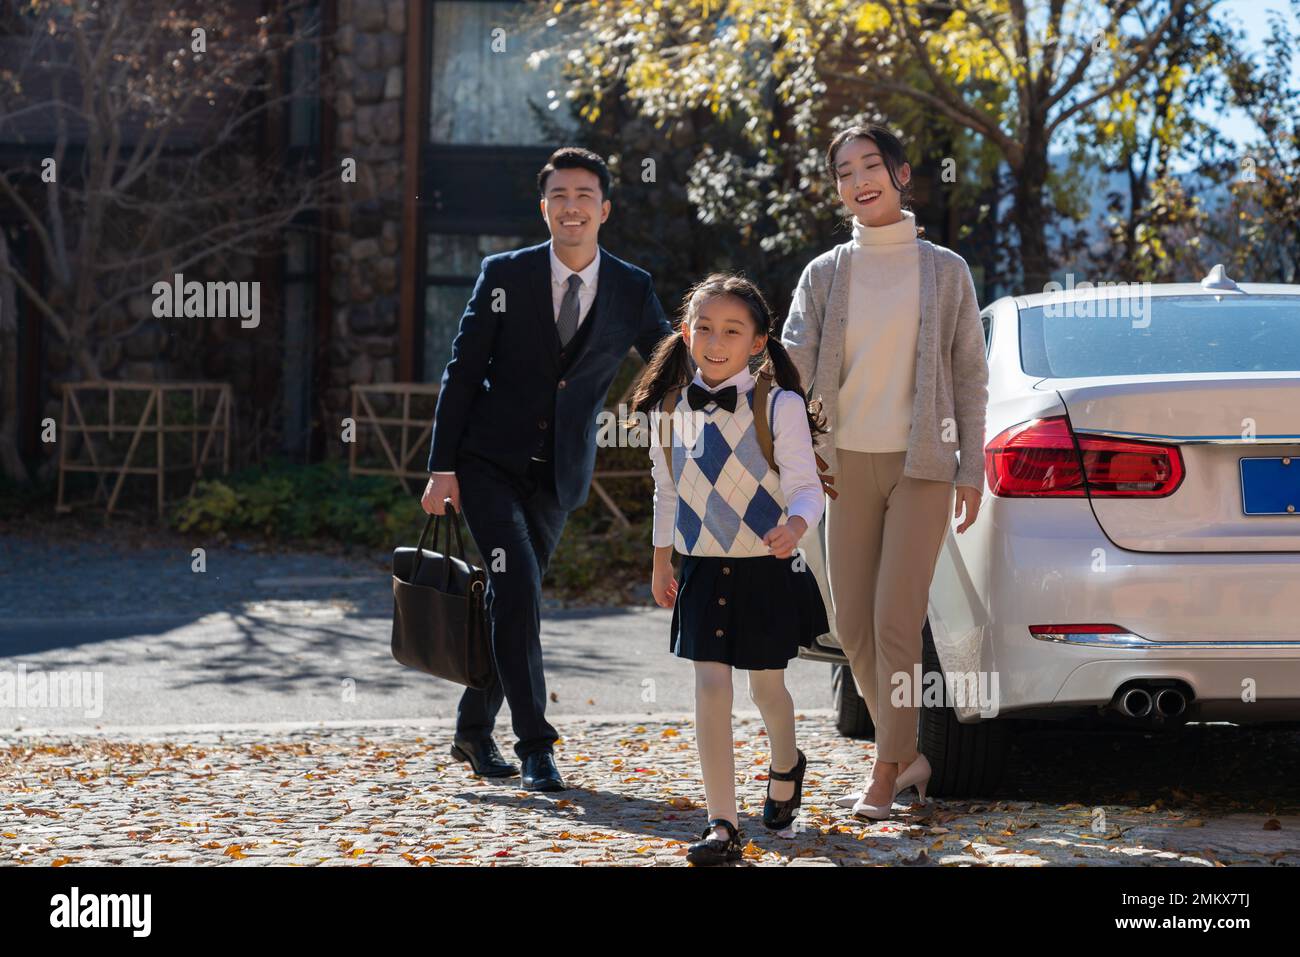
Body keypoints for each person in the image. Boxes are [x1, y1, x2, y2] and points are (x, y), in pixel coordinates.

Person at [422, 147, 673, 792]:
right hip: (486, 463)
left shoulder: (630, 287)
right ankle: (536, 744)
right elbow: (462, 371)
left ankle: (473, 730)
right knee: (520, 585)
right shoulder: (503, 275)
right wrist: (441, 466)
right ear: (544, 208)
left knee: (514, 597)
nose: (571, 206)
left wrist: (739, 395)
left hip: (557, 475)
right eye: (559, 195)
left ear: (605, 209)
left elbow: (668, 365)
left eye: (584, 195)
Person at [780, 124, 989, 819]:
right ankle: (912, 757)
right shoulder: (825, 273)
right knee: (851, 624)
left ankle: (886, 766)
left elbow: (968, 372)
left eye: (871, 164)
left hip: (924, 465)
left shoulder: (946, 269)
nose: (858, 178)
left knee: (897, 620)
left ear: (901, 174)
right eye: (844, 171)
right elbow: (793, 363)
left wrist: (971, 466)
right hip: (843, 466)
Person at [629, 273, 830, 865]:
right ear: (686, 334)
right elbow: (666, 491)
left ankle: (786, 762)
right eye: (706, 328)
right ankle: (722, 824)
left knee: (768, 689)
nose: (717, 342)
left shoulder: (780, 406)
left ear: (758, 342)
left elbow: (806, 488)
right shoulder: (667, 410)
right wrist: (662, 559)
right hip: (701, 569)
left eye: (733, 331)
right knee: (711, 689)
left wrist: (794, 527)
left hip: (764, 571)